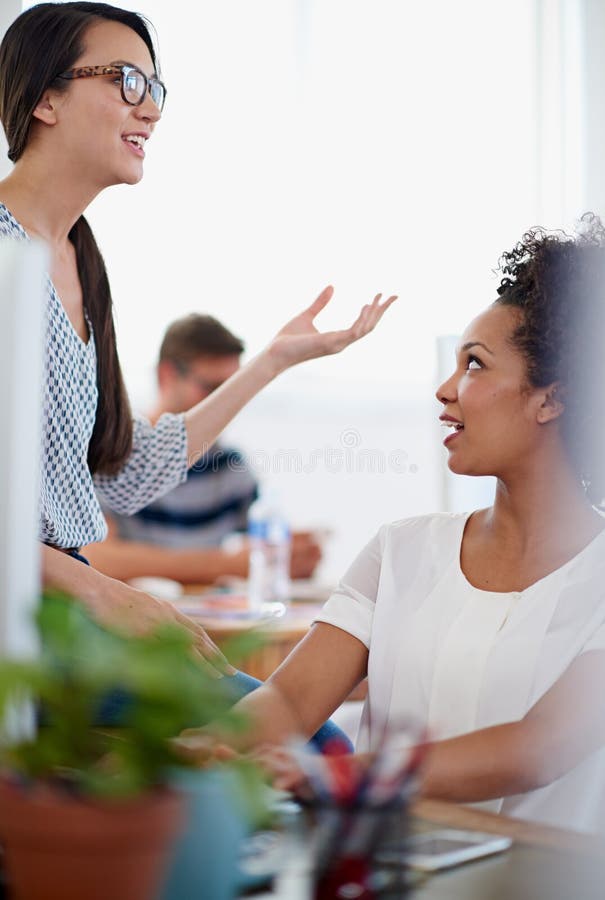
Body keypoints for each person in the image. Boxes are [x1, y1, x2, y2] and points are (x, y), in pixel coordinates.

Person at [0, 2, 395, 674]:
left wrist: (272, 361)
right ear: (46, 98)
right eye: (126, 81)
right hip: (36, 622)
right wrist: (108, 593)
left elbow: (124, 474)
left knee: (291, 719)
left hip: (62, 614)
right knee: (277, 725)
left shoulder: (81, 260)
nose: (150, 111)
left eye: (155, 89)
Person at [181, 215, 605, 833]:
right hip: (381, 868)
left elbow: (539, 746)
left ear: (553, 399)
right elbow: (291, 700)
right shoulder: (401, 549)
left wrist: (337, 775)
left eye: (475, 365)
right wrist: (195, 749)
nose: (445, 389)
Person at [84, 313, 322, 583]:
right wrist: (228, 565)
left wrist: (291, 552)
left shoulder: (229, 465)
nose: (228, 402)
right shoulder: (112, 454)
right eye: (213, 388)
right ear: (167, 375)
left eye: (234, 387)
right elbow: (95, 557)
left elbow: (262, 537)